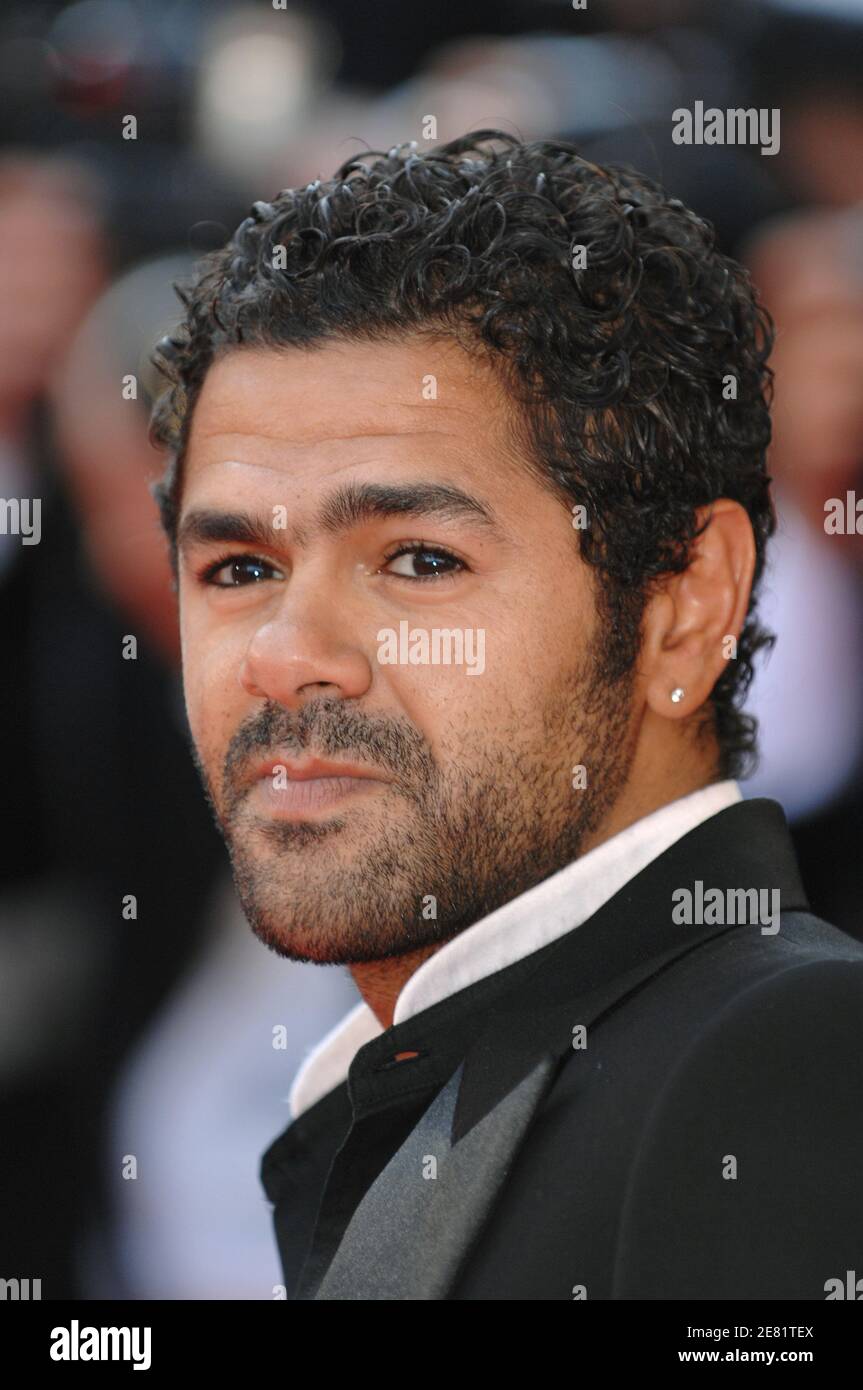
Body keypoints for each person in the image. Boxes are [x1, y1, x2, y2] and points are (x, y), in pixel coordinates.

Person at [147, 131, 863, 1300]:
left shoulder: (789, 1059)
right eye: (236, 568)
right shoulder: (447, 1088)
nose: (286, 660)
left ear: (683, 611)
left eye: (419, 559)